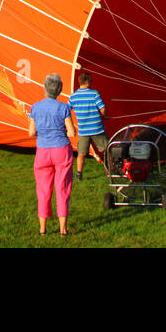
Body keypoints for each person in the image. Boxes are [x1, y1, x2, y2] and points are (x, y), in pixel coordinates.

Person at [27, 73, 75, 235]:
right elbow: (72, 132)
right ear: (59, 90)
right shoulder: (64, 108)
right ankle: (63, 229)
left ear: (45, 88)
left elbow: (31, 132)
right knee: (63, 188)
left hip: (43, 150)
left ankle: (42, 229)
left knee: (43, 190)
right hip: (61, 149)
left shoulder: (35, 107)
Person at [68, 71, 107, 179]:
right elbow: (103, 109)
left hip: (83, 130)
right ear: (87, 82)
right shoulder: (94, 93)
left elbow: (66, 110)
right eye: (90, 80)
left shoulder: (73, 97)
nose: (91, 81)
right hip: (97, 129)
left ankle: (79, 174)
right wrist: (104, 115)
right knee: (107, 150)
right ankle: (111, 170)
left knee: (81, 153)